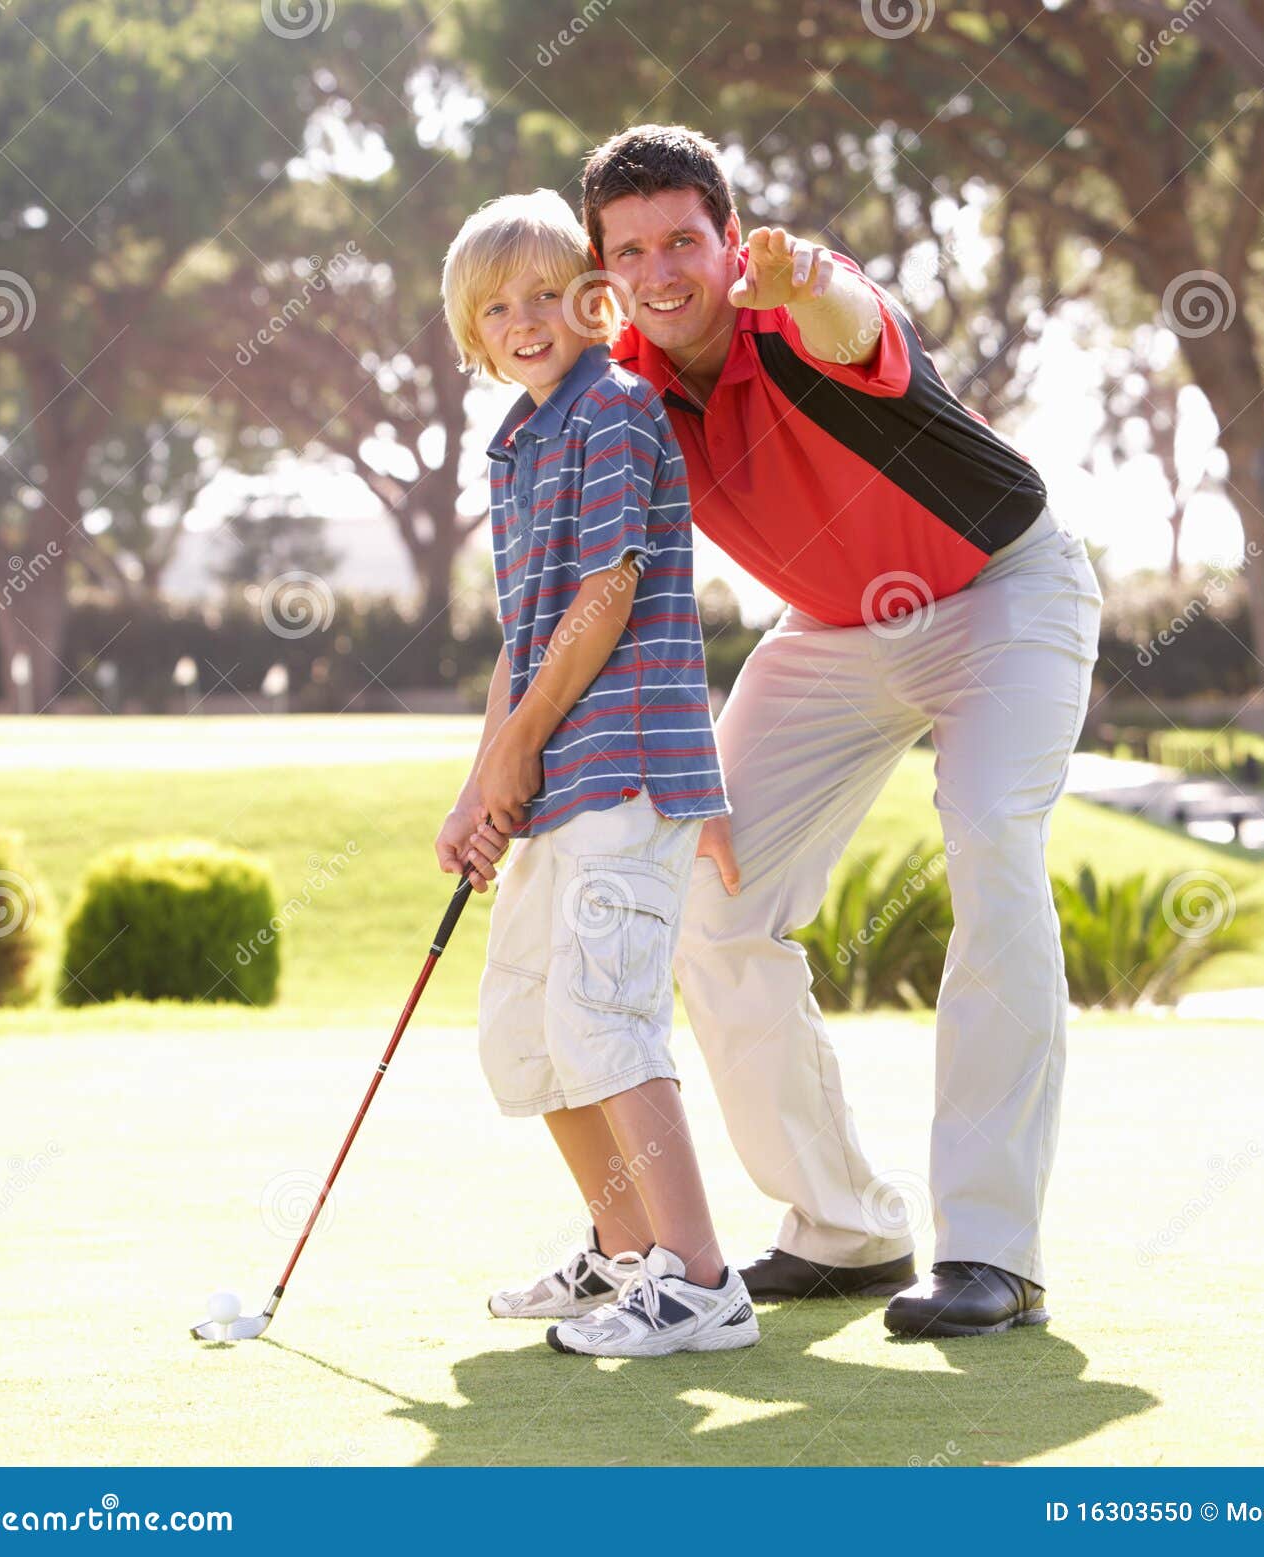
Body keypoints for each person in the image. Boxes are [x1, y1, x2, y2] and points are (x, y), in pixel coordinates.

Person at [468, 126, 1102, 1340]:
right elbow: (587, 590)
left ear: (726, 236)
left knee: (989, 848)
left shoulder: (794, 308)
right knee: (715, 903)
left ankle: (992, 1253)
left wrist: (811, 278)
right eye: (631, 248)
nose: (663, 270)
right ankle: (844, 1227)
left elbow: (853, 323)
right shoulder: (625, 393)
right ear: (603, 268)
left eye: (685, 241)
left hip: (1003, 591)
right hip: (829, 634)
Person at [432, 188, 757, 1359]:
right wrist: (483, 787)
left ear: (591, 299)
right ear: (473, 333)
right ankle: (625, 1259)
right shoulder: (517, 442)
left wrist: (518, 752)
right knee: (523, 1028)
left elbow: (604, 592)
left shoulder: (612, 409)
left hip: (625, 768)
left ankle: (702, 1282)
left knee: (605, 1018)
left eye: (546, 296)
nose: (525, 320)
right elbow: (525, 636)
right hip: (556, 782)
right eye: (496, 307)